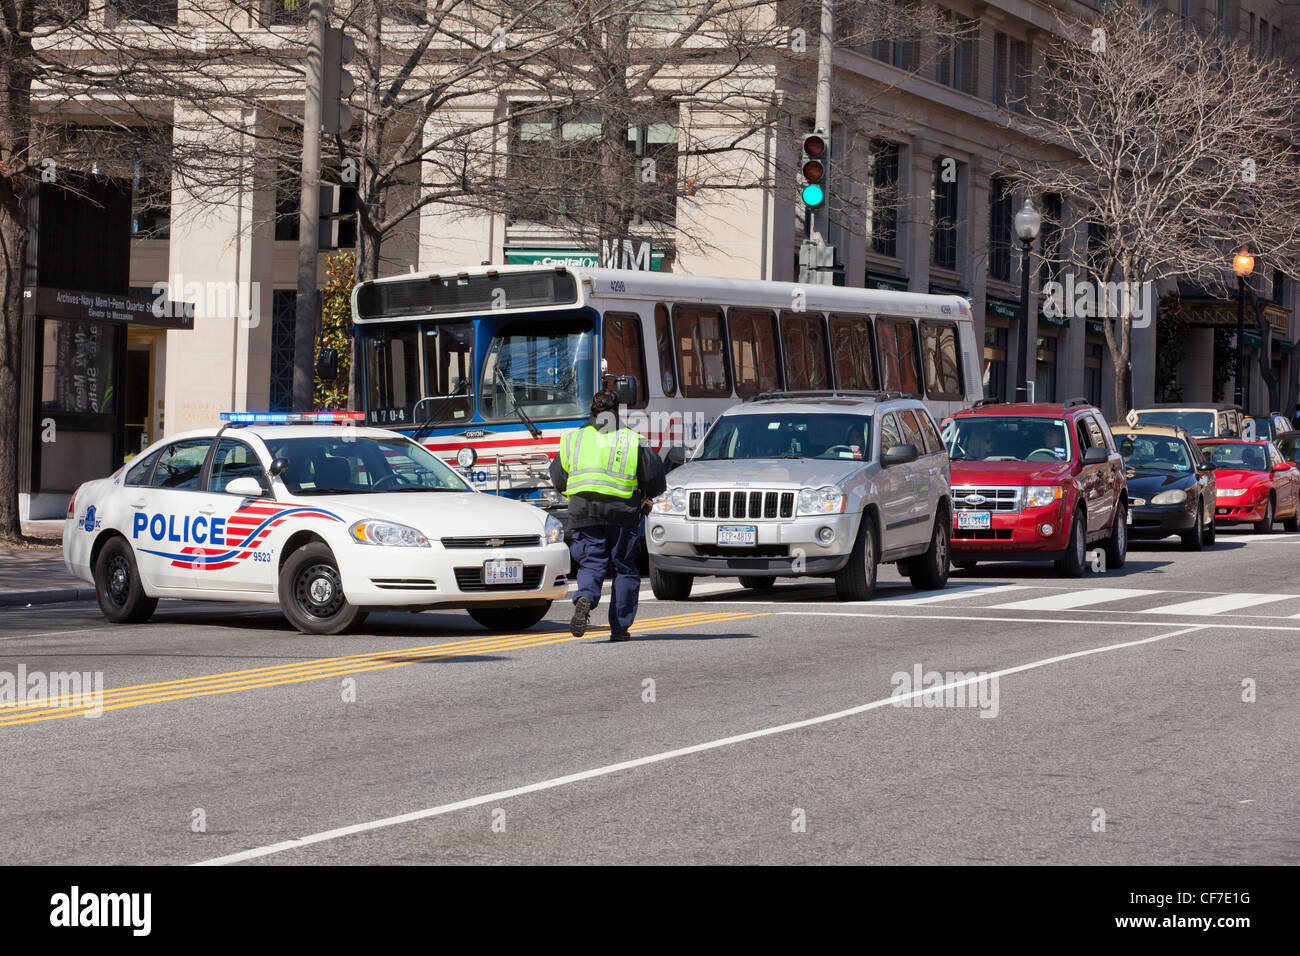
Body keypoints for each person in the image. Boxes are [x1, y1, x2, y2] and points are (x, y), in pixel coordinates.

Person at [550, 390, 667, 642]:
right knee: (623, 567)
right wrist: (645, 494)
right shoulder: (632, 439)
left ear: (591, 412)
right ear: (617, 412)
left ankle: (585, 597)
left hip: (584, 511)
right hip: (622, 513)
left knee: (592, 562)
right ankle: (620, 628)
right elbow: (656, 478)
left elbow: (559, 479)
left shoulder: (573, 439)